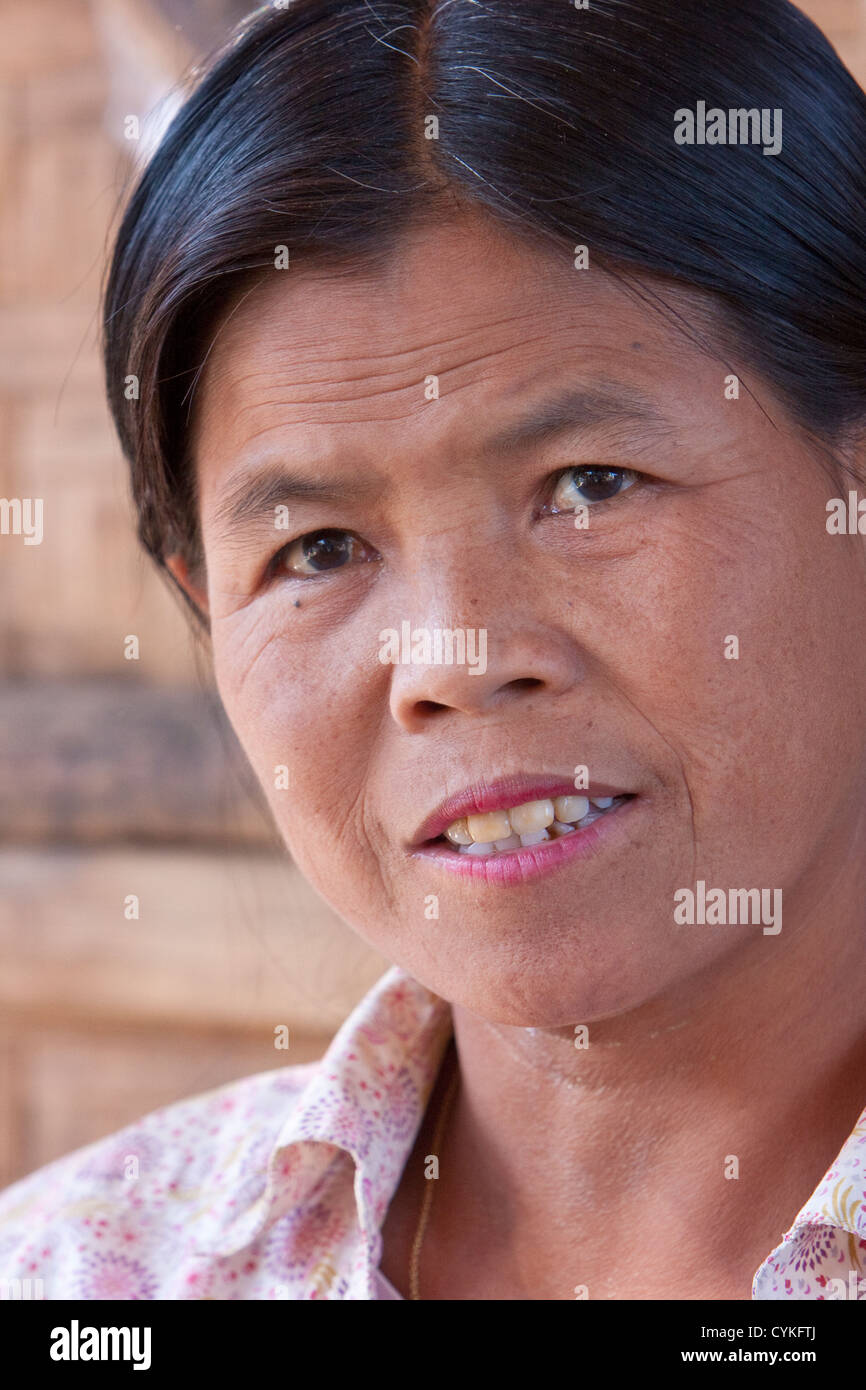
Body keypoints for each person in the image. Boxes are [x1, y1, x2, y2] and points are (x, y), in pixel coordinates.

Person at [2, 0, 865, 1300]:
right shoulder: (85, 1276)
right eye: (319, 550)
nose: (453, 658)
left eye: (588, 484)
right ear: (203, 608)